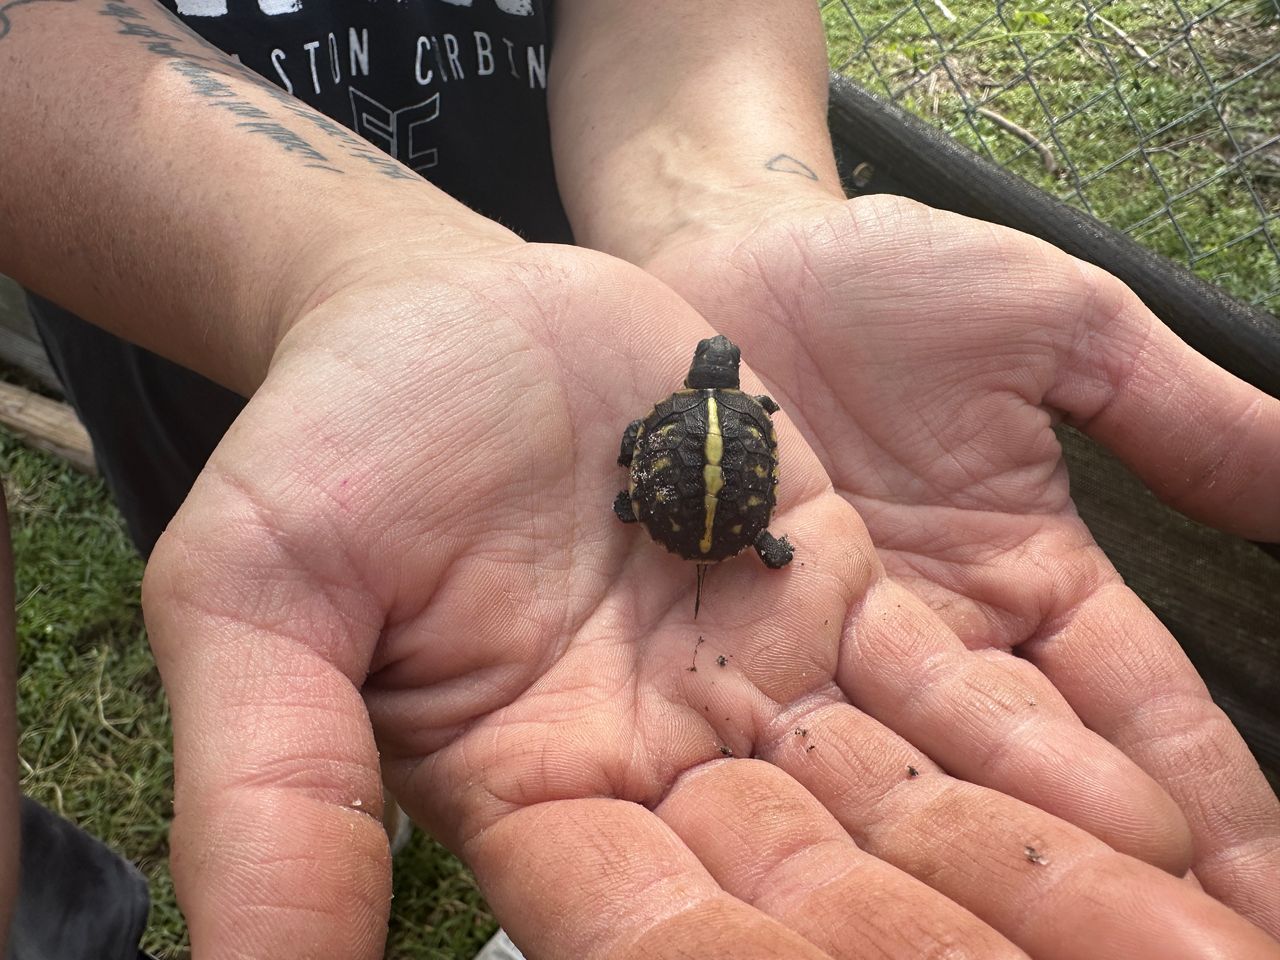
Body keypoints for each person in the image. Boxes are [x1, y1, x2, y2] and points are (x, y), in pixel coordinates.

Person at [1, 1, 1278, 957]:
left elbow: (651, 452)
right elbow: (746, 460)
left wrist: (731, 212)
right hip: (227, 379)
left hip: (589, 435)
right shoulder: (730, 408)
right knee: (362, 656)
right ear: (739, 378)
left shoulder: (670, 412)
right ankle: (392, 800)